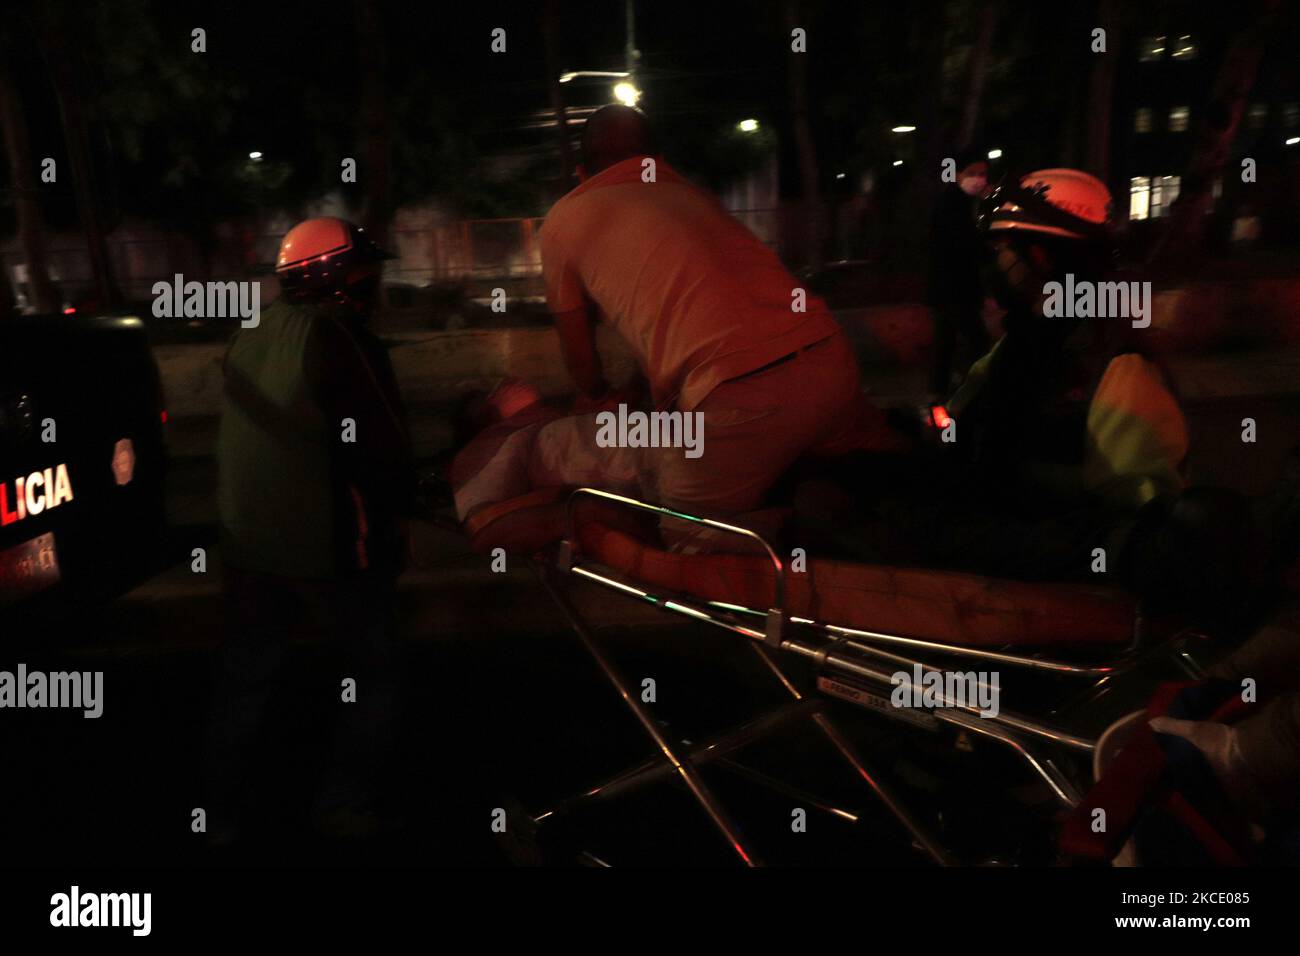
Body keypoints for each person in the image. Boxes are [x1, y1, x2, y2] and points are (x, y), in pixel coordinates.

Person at [527, 104, 892, 524]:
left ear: (580, 171)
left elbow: (581, 361)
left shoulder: (563, 219)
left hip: (739, 401)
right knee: (879, 472)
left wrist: (597, 395)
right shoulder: (692, 195)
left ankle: (803, 562)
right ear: (656, 159)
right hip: (830, 362)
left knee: (689, 536)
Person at [206, 216, 412, 844]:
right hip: (328, 547)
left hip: (247, 546)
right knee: (378, 671)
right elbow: (386, 448)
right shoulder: (342, 336)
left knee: (245, 681)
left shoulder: (251, 333)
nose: (372, 283)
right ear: (336, 278)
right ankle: (341, 805)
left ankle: (217, 814)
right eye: (363, 271)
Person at [926, 147, 991, 398]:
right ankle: (972, 393)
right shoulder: (954, 205)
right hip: (955, 289)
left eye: (983, 173)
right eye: (972, 173)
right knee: (976, 342)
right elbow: (964, 244)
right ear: (957, 175)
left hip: (948, 288)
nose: (979, 179)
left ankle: (939, 393)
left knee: (946, 343)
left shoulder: (959, 202)